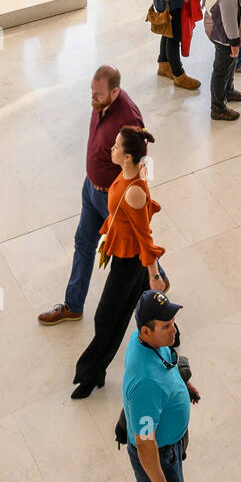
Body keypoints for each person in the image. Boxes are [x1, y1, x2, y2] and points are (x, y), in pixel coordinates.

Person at [38, 66, 143, 326]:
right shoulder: (101, 104)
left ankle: (156, 282)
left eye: (98, 94)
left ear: (115, 91)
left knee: (133, 253)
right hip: (91, 189)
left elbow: (137, 166)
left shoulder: (129, 121)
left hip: (112, 200)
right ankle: (73, 306)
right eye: (92, 92)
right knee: (83, 243)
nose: (92, 98)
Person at [72, 126, 168, 398]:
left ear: (128, 157)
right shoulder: (125, 173)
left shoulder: (134, 191)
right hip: (122, 256)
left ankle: (91, 373)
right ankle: (95, 372)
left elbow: (144, 236)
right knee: (130, 311)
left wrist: (154, 274)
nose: (111, 149)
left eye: (116, 146)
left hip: (131, 263)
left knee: (106, 317)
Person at [122, 291, 193, 482]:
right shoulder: (146, 385)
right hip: (159, 457)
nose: (174, 330)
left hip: (169, 448)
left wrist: (182, 386)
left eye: (172, 322)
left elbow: (165, 368)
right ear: (146, 331)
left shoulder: (144, 339)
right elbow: (144, 443)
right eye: (166, 326)